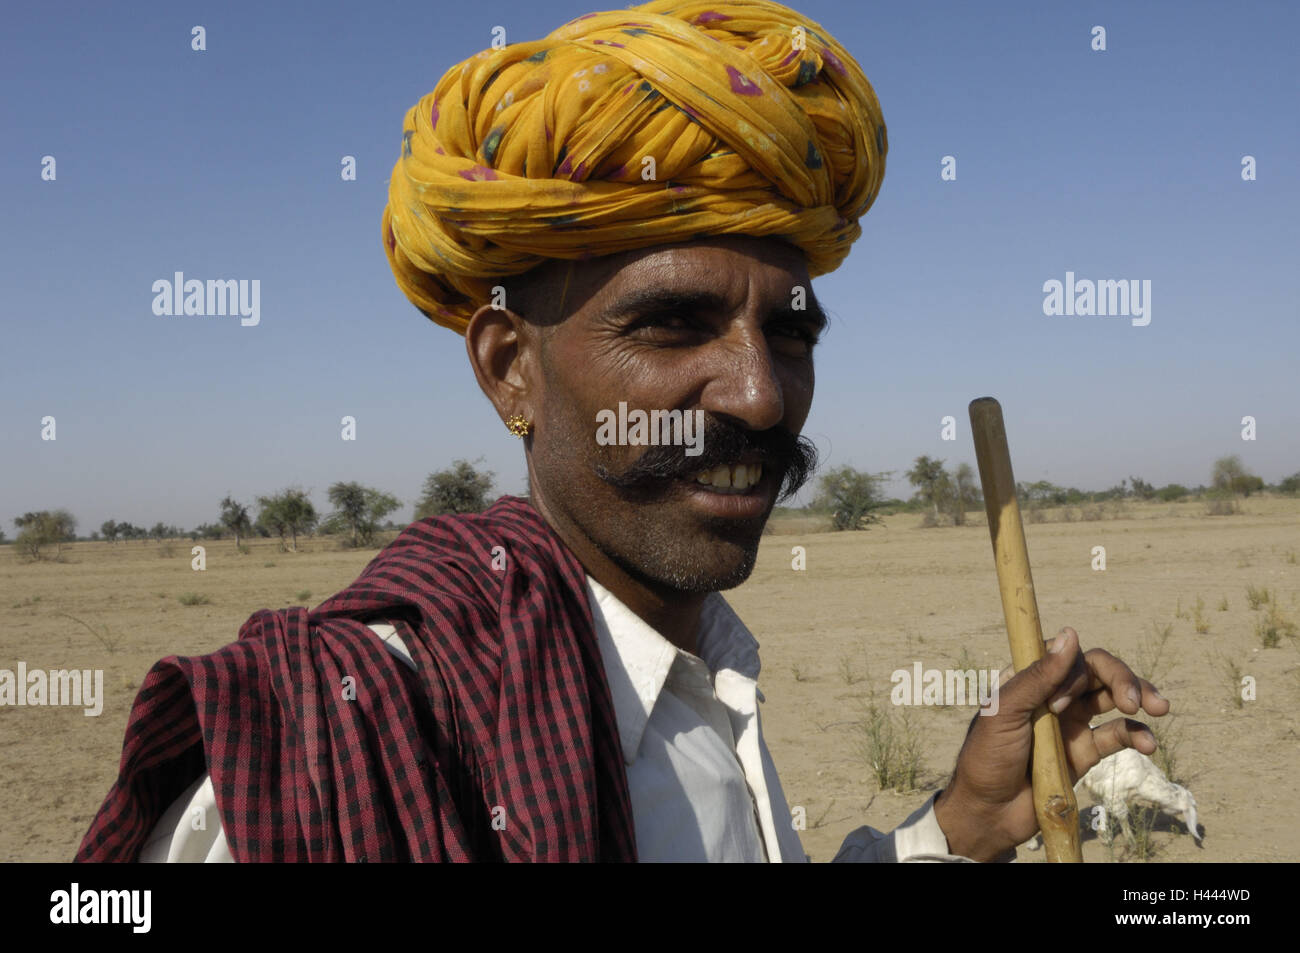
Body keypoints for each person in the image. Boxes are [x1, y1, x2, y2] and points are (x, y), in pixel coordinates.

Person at [76, 0, 1167, 863]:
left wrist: (960, 822)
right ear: (513, 370)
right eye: (672, 323)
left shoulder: (698, 672)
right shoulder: (330, 755)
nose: (758, 393)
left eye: (788, 334)